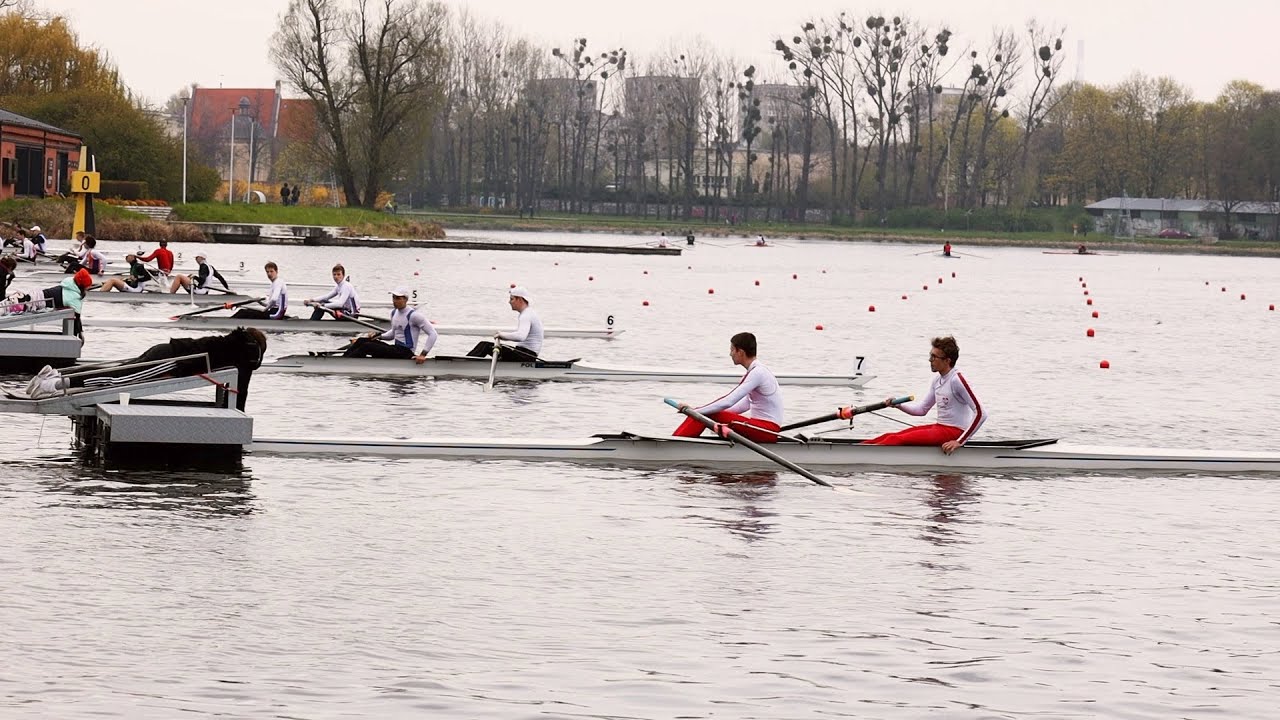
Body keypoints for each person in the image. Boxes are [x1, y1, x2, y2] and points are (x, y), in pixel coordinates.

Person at [27, 328, 268, 411]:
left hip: (166, 350)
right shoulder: (244, 353)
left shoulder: (233, 343)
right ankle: (55, 384)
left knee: (120, 370)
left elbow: (232, 385)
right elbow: (241, 387)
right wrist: (241, 416)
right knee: (117, 380)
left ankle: (57, 374)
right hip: (170, 360)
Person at [862, 335, 985, 454]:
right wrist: (898, 405)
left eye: (934, 357)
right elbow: (922, 410)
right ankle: (857, 448)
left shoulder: (957, 380)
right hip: (940, 428)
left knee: (896, 440)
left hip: (955, 432)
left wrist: (959, 441)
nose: (930, 360)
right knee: (890, 436)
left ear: (947, 360)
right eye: (930, 356)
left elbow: (981, 413)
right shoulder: (937, 380)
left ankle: (859, 454)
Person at [672, 332, 782, 444]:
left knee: (707, 413)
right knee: (708, 413)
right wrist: (697, 411)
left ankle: (675, 444)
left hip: (767, 430)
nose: (730, 354)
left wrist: (695, 412)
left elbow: (728, 401)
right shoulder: (757, 371)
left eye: (732, 350)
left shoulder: (758, 373)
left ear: (741, 352)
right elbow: (743, 405)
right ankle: (677, 440)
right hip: (764, 429)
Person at [343, 287, 437, 362]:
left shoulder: (414, 316)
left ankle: (347, 365)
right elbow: (392, 334)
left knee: (366, 346)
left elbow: (433, 333)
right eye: (393, 298)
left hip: (406, 352)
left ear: (405, 299)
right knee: (361, 341)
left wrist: (423, 354)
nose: (394, 301)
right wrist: (378, 336)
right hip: (396, 349)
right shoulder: (394, 313)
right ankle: (344, 360)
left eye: (398, 298)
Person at [466, 286, 542, 362]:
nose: (509, 302)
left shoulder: (526, 315)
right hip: (523, 353)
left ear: (519, 299)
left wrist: (501, 335)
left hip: (526, 356)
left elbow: (520, 336)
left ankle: (464, 364)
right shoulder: (528, 313)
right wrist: (503, 337)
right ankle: (470, 364)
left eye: (511, 299)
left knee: (485, 346)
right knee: (488, 346)